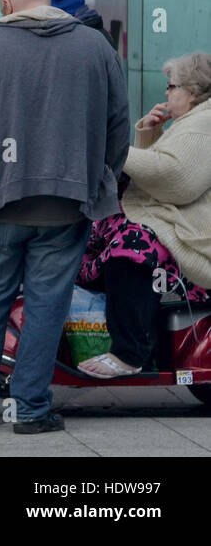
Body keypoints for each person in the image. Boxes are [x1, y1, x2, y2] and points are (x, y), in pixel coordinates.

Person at [0, 0, 130, 434]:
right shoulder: (95, 47)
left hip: (1, 201)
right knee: (47, 305)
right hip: (68, 202)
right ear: (50, 1)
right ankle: (30, 409)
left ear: (7, 6)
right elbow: (119, 124)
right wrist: (97, 175)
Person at [75, 53, 211, 377]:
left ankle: (129, 353)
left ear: (191, 91)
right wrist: (149, 136)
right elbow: (160, 173)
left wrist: (117, 150)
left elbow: (177, 180)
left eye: (171, 86)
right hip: (173, 219)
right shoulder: (191, 122)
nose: (166, 93)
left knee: (132, 247)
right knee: (112, 233)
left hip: (190, 231)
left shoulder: (202, 125)